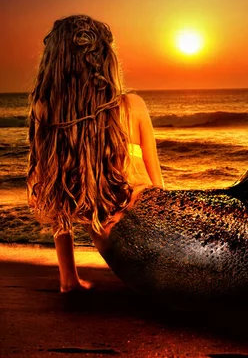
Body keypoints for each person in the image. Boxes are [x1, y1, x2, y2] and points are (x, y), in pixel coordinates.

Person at [27, 15, 164, 292]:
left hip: (125, 262)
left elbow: (58, 207)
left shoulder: (47, 114)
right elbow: (160, 188)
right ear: (106, 59)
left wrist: (69, 280)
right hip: (160, 249)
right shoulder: (133, 106)